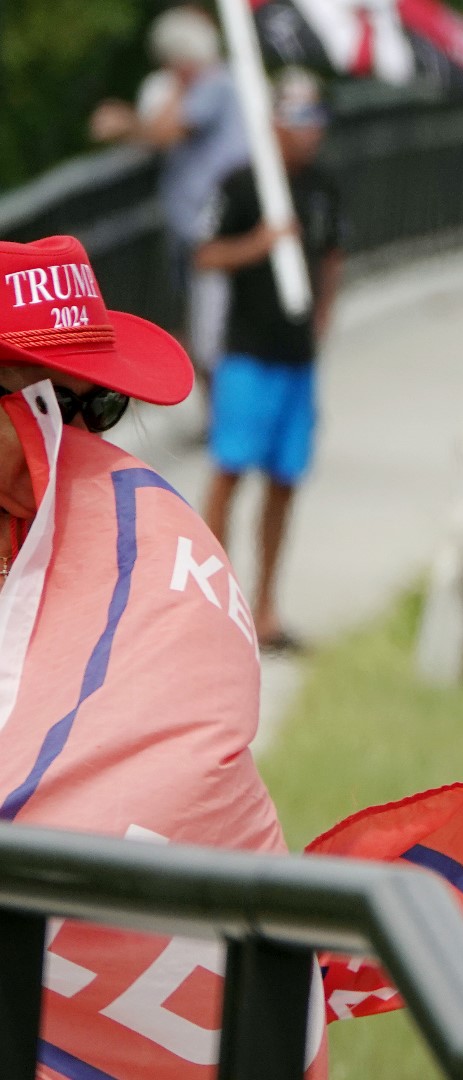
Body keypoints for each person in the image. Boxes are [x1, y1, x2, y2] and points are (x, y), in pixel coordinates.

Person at [0, 236, 315, 1075]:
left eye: (90, 410)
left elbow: (174, 781)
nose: (70, 444)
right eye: (42, 412)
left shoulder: (148, 556)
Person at [196, 67, 343, 654]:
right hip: (247, 353)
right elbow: (204, 254)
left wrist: (325, 317)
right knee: (229, 473)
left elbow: (334, 255)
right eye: (300, 119)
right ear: (275, 121)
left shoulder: (325, 187)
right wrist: (257, 245)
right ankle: (207, 604)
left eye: (317, 119)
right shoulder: (240, 184)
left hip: (297, 358)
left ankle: (265, 607)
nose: (311, 132)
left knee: (285, 481)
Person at [90, 5, 249, 371]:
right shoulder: (212, 83)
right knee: (204, 331)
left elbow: (164, 131)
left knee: (212, 337)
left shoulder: (213, 86)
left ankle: (221, 420)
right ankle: (215, 416)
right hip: (198, 230)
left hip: (211, 231)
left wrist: (124, 122)